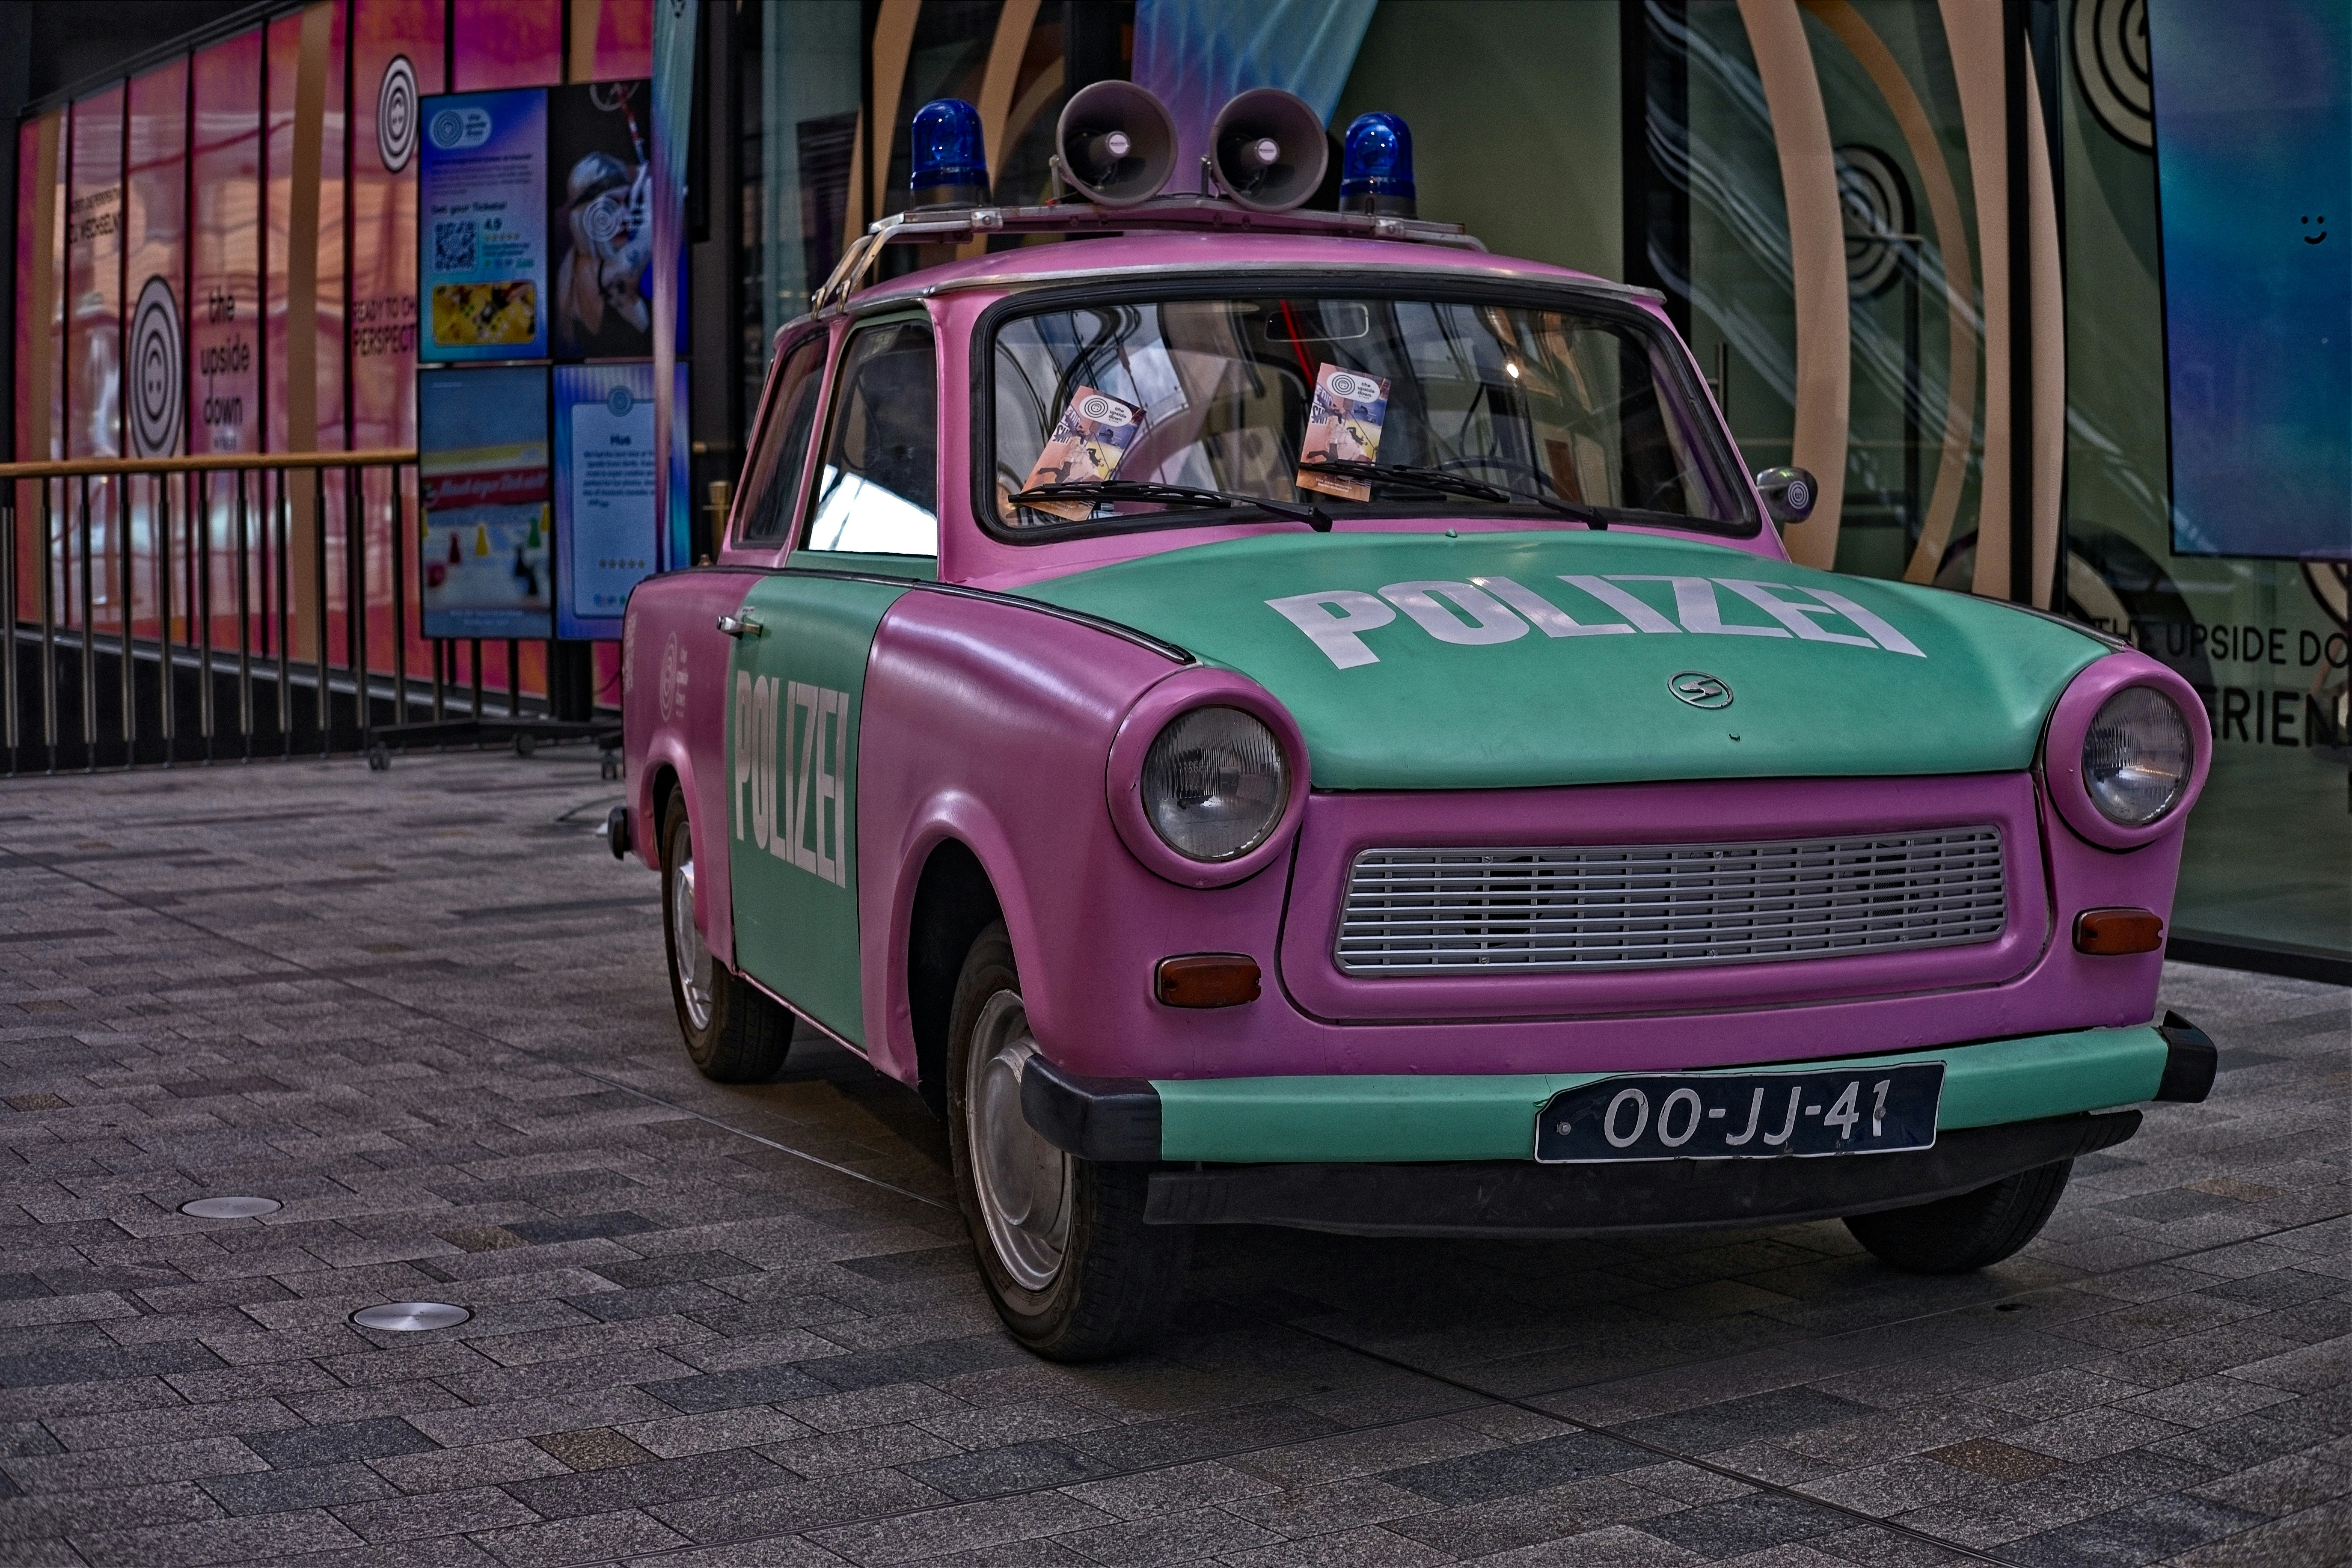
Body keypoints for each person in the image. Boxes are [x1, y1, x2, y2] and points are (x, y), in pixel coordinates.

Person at [554, 150, 652, 358]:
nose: (626, 216)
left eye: (627, 202)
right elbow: (649, 239)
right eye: (613, 204)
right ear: (588, 214)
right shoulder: (608, 271)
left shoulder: (573, 265)